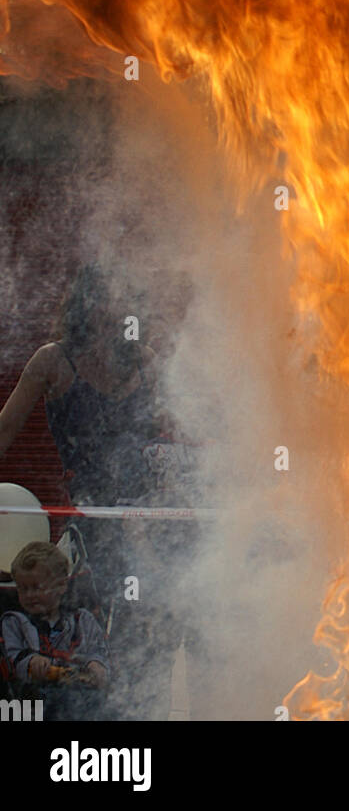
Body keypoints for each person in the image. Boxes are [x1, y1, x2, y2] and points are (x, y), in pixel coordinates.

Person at [0, 263, 173, 717]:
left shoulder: (146, 360)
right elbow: (3, 433)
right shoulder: (52, 361)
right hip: (90, 516)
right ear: (90, 301)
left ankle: (143, 710)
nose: (124, 307)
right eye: (114, 295)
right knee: (105, 614)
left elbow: (173, 436)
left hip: (147, 515)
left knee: (156, 613)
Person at [0, 540, 109, 720]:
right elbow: (13, 656)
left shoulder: (83, 620)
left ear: (61, 585)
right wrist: (31, 661)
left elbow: (98, 650)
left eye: (37, 588)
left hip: (80, 695)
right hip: (32, 700)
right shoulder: (14, 622)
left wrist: (96, 664)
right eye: (23, 589)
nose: (29, 595)